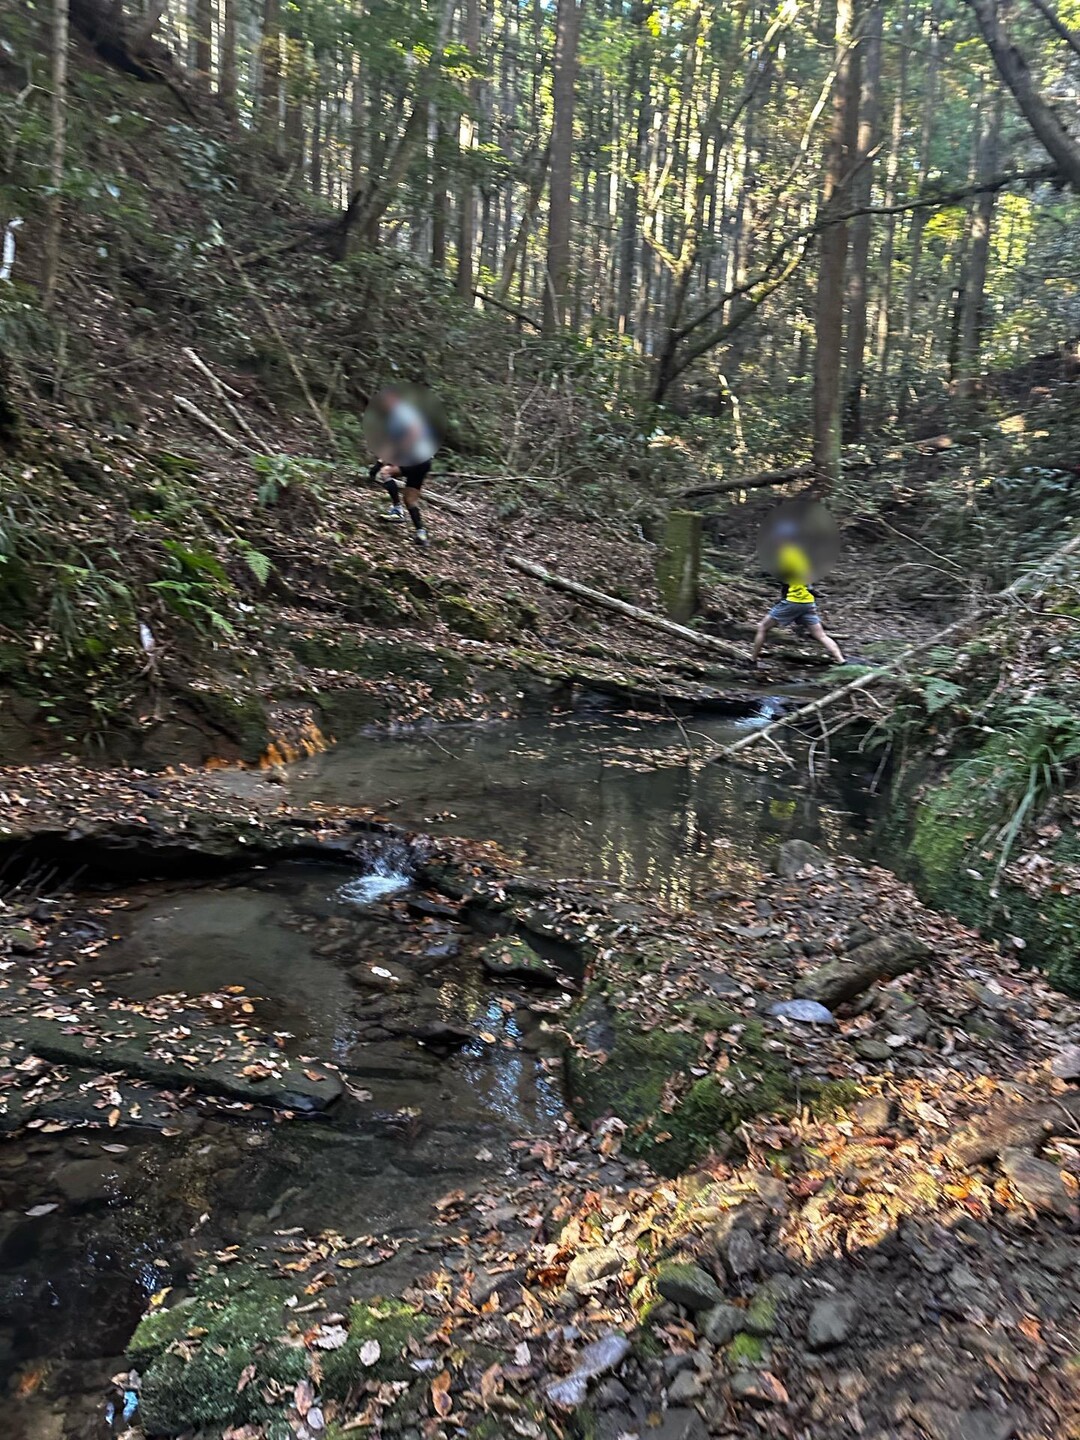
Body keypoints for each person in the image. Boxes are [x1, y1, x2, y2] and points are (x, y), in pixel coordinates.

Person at [751, 526, 846, 667]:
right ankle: (841, 660)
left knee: (762, 627)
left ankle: (752, 660)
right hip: (808, 602)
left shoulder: (785, 555)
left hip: (793, 601)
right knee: (821, 635)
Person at [367, 388, 438, 546]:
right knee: (410, 499)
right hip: (425, 462)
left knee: (385, 473)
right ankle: (421, 534)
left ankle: (397, 510)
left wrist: (378, 465)